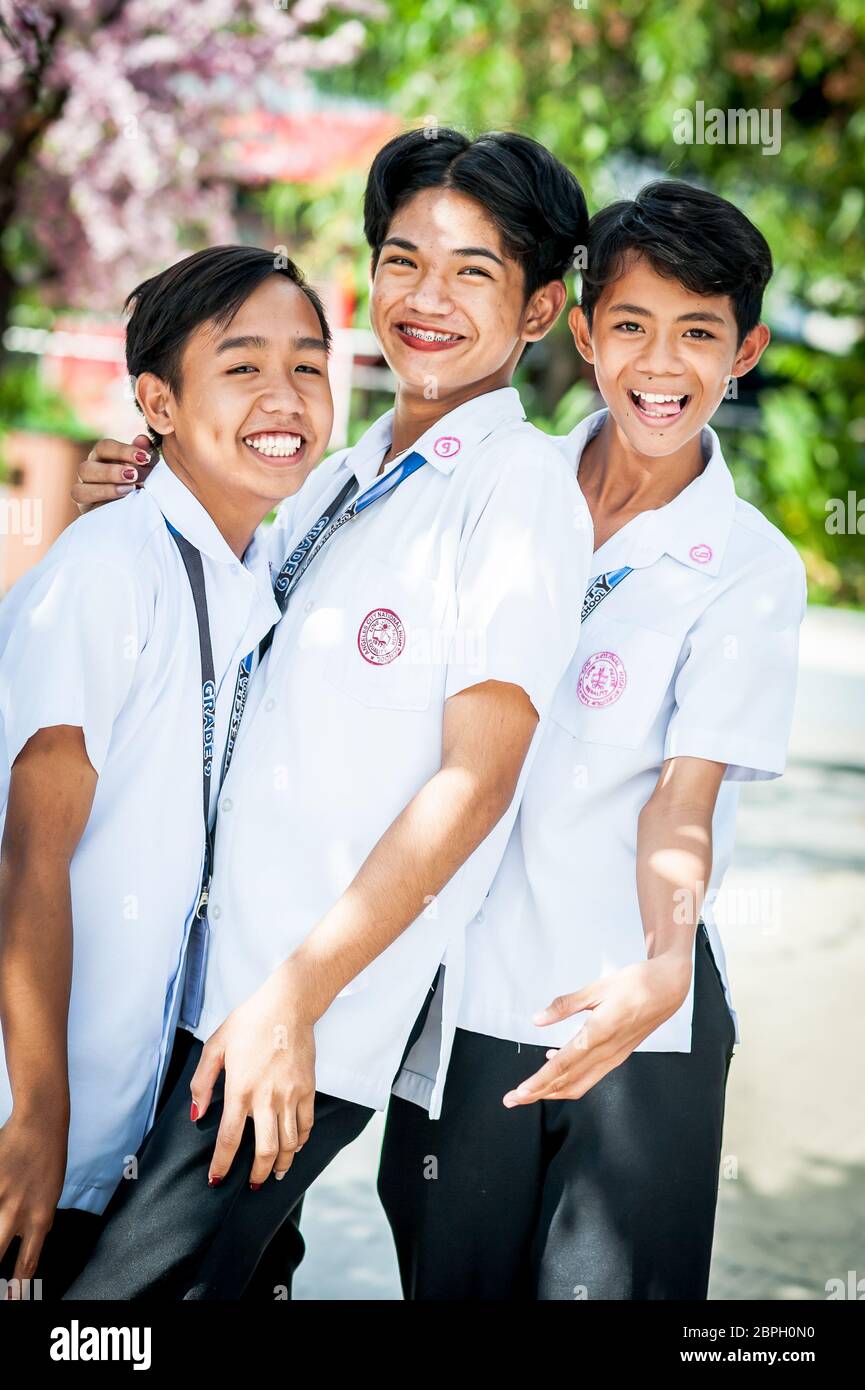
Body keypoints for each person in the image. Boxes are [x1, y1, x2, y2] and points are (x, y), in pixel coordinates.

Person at [61, 127, 593, 1299]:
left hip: (287, 1017)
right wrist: (141, 493)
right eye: (404, 260)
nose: (426, 298)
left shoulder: (516, 492)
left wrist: (296, 997)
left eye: (472, 271)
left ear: (540, 308)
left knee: (111, 1315)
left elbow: (476, 778)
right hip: (194, 997)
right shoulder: (343, 475)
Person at [378, 180, 807, 1300]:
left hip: (633, 1013)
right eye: (630, 325)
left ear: (745, 351)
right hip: (462, 1003)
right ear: (581, 332)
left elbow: (681, 799)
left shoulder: (749, 568)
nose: (659, 365)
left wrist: (666, 961)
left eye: (697, 334)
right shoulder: (495, 486)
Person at [0, 245, 335, 1298]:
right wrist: (38, 1114)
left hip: (139, 1137)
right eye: (242, 367)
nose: (284, 395)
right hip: (34, 1131)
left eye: (309, 364)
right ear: (158, 403)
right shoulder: (109, 569)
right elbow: (28, 858)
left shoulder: (259, 569)